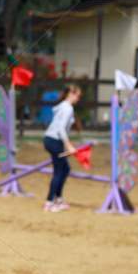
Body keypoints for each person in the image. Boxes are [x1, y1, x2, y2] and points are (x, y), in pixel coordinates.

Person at [42, 84, 82, 213]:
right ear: (71, 93)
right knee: (59, 171)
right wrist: (69, 146)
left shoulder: (63, 106)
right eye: (78, 95)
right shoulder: (67, 108)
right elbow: (61, 129)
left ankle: (58, 198)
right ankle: (49, 202)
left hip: (51, 140)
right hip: (54, 141)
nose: (78, 98)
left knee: (65, 169)